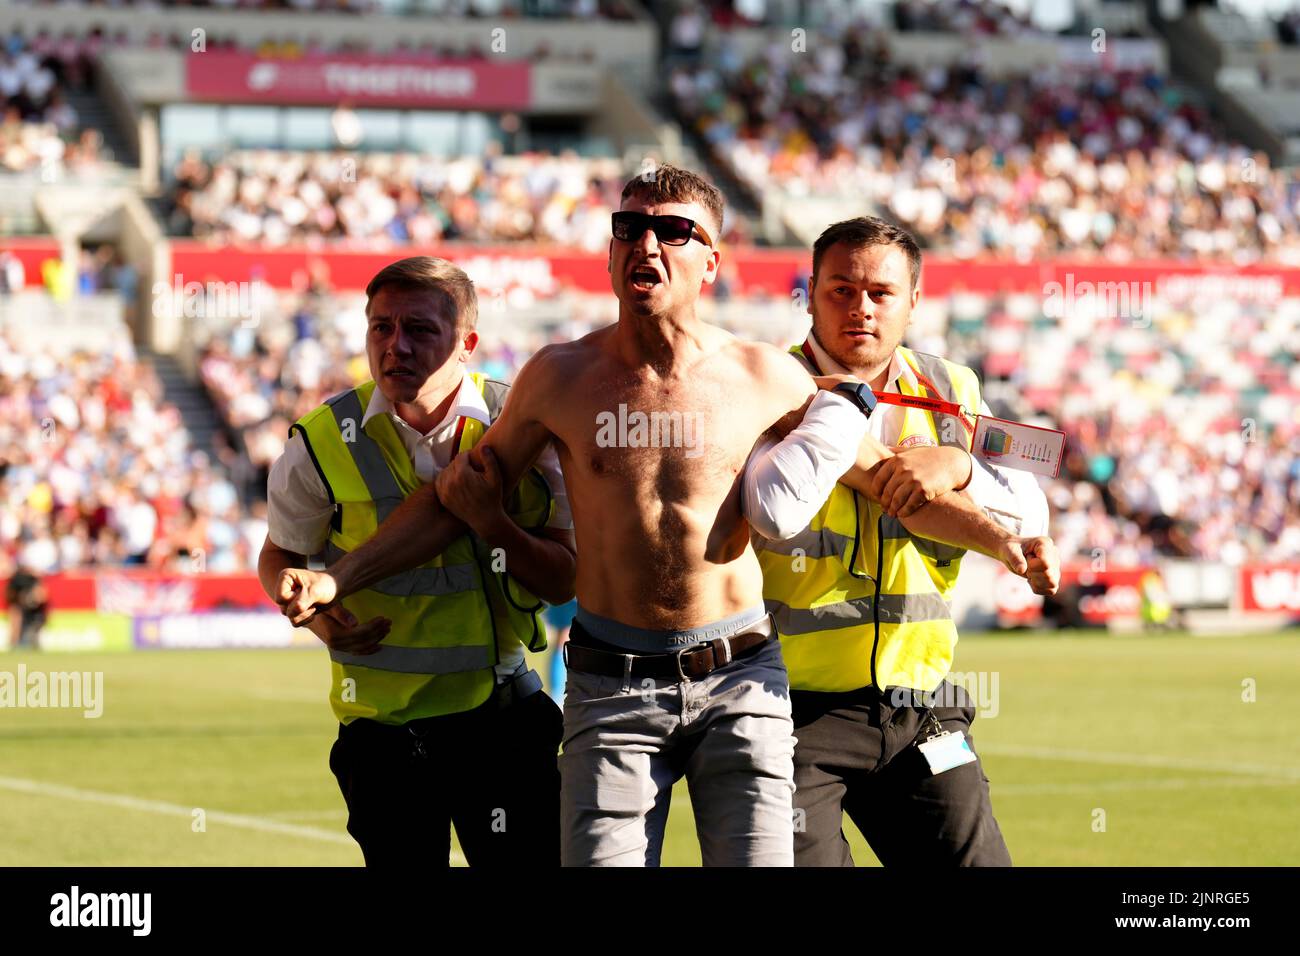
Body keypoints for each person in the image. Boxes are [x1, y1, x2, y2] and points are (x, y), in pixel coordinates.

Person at [275, 166, 1052, 867]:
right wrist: (337, 579)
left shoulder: (763, 375)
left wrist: (1005, 539)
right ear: (611, 254)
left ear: (711, 261)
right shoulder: (557, 376)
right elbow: (451, 501)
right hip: (612, 685)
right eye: (629, 228)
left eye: (673, 231)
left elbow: (890, 483)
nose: (646, 242)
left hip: (744, 677)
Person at [751, 216, 1061, 866]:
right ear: (808, 293)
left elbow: (1038, 470)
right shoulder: (764, 386)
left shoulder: (953, 389)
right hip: (789, 714)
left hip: (921, 710)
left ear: (914, 301)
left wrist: (965, 465)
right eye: (841, 289)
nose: (860, 307)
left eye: (881, 292)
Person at [256, 256, 575, 868]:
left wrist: (494, 523)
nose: (395, 346)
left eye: (420, 330)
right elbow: (280, 556)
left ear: (467, 344)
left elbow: (563, 576)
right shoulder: (321, 441)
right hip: (379, 735)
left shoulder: (524, 426)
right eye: (380, 327)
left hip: (499, 723)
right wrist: (307, 607)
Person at [6, 563, 48, 650]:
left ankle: (31, 644)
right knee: (16, 619)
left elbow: (42, 596)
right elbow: (10, 594)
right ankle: (14, 644)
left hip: (33, 611)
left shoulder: (34, 580)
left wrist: (32, 600)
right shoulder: (16, 580)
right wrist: (21, 599)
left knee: (32, 631)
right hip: (19, 607)